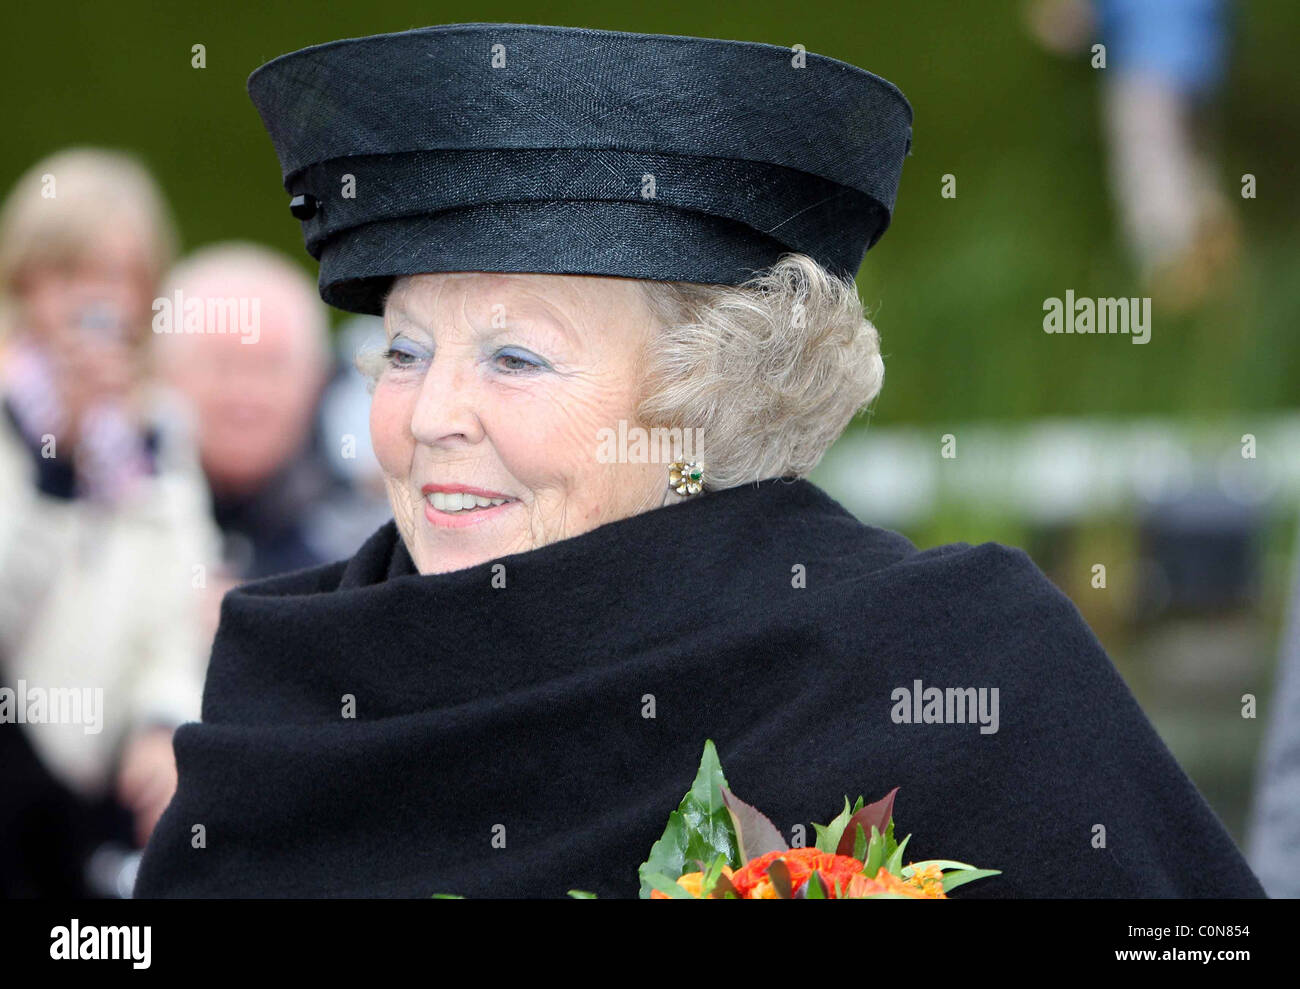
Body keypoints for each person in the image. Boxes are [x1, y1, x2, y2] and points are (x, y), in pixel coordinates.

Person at [134, 23, 1265, 899]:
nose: (431, 414)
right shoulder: (289, 689)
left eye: (516, 358)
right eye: (404, 350)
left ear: (703, 400)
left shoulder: (952, 658)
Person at [0, 148, 218, 897]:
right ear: (24, 284)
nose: (98, 306)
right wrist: (53, 470)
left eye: (119, 278)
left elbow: (182, 594)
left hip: (108, 783)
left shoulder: (159, 427)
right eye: (70, 279)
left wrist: (162, 719)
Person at [154, 242, 388, 585]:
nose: (247, 393)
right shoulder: (102, 503)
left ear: (317, 380)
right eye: (222, 365)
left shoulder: (372, 538)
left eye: (273, 366)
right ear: (164, 373)